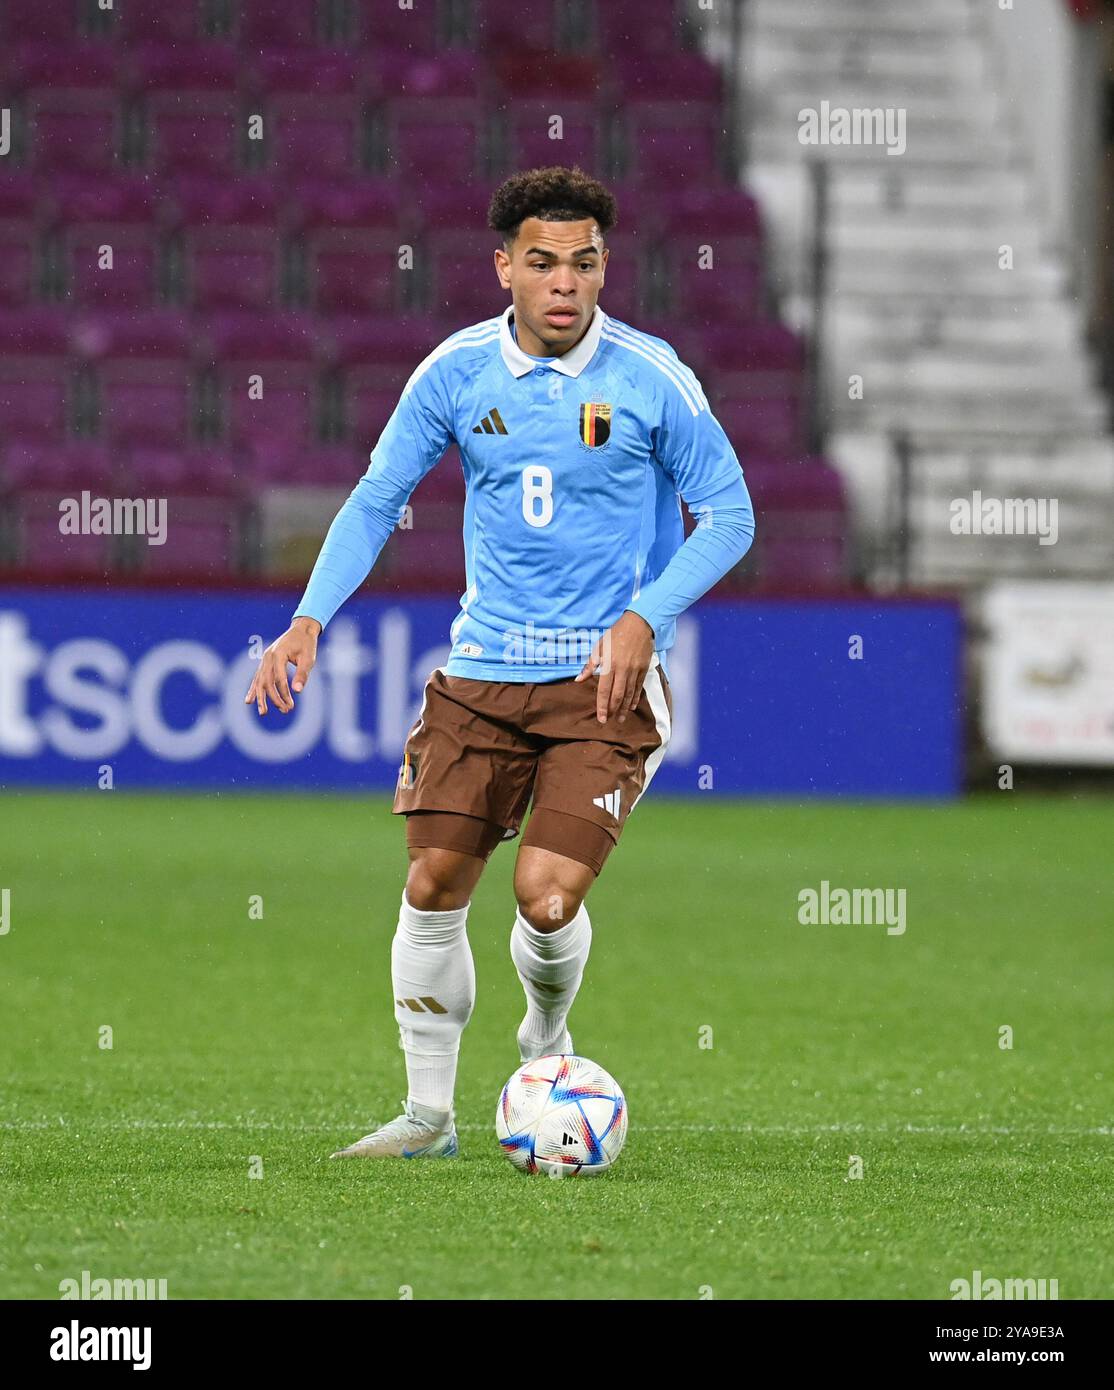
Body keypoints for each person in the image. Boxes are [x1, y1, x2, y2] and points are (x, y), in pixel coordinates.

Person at [244, 166, 755, 1158]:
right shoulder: (454, 372)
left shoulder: (653, 378)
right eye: (542, 263)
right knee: (434, 881)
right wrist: (308, 618)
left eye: (584, 262)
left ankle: (545, 1041)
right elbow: (376, 495)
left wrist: (646, 615)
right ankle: (428, 1117)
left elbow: (729, 515)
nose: (565, 283)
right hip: (481, 673)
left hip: (600, 684)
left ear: (605, 268)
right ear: (504, 269)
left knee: (545, 896)